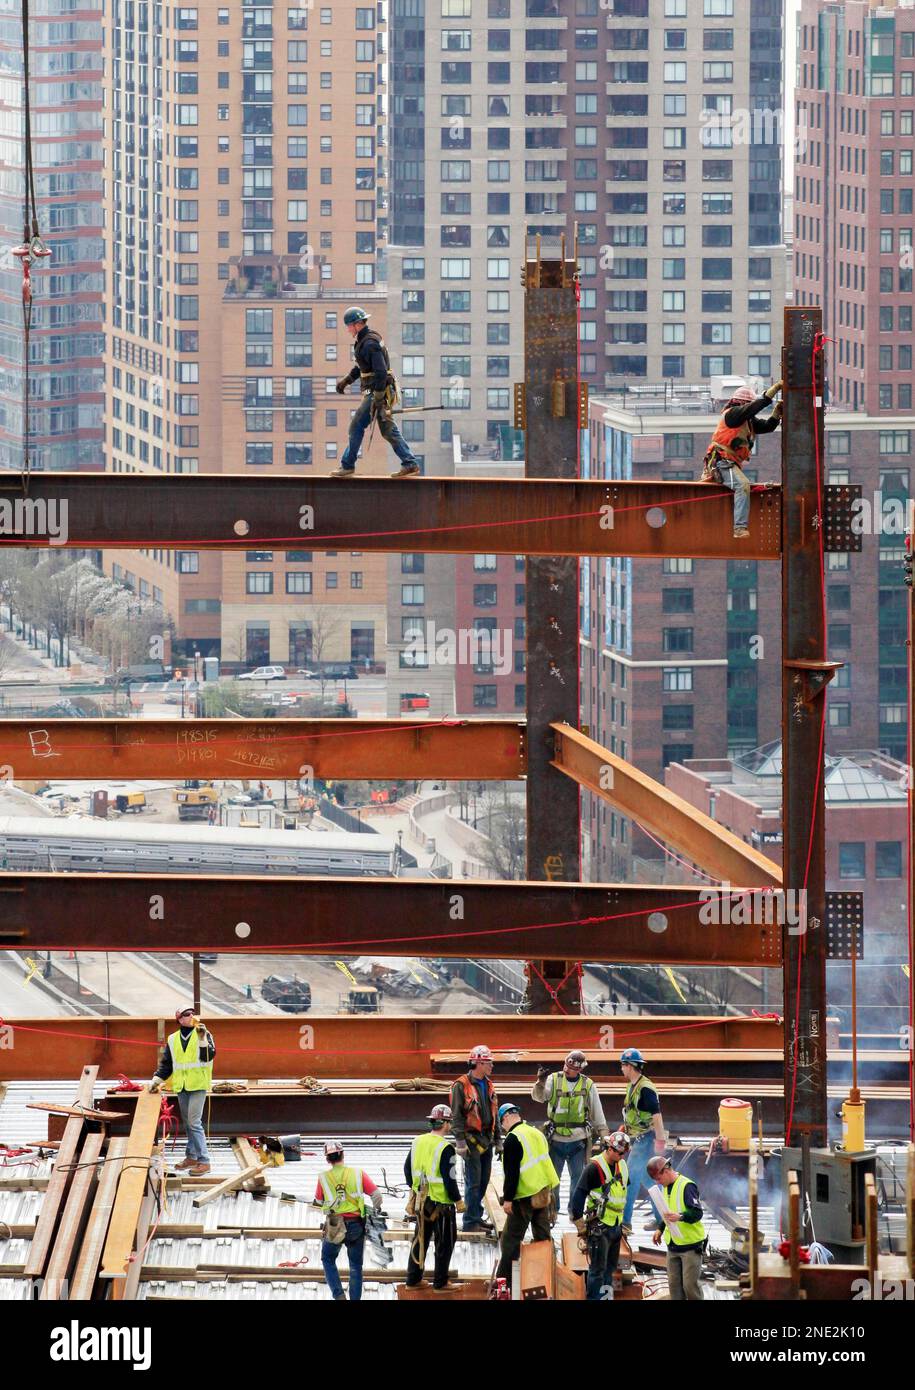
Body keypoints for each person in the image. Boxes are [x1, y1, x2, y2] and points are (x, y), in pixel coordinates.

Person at [332, 306, 420, 478]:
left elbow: (380, 372)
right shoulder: (365, 340)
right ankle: (410, 463)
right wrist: (347, 380)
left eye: (349, 325)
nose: (348, 329)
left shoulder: (369, 343)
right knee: (388, 430)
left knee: (356, 426)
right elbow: (362, 366)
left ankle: (347, 465)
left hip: (376, 392)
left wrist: (378, 397)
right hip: (378, 391)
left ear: (357, 324)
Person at [701, 379, 783, 538]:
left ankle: (738, 524)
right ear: (742, 404)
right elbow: (756, 406)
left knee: (742, 485)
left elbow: (767, 427)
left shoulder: (747, 421)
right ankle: (739, 528)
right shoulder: (733, 415)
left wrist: (776, 413)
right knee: (743, 485)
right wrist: (776, 388)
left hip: (728, 463)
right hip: (721, 462)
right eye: (748, 406)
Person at [531, 1049, 608, 1215]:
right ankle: (552, 1211)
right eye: (565, 1065)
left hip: (578, 1140)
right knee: (553, 1179)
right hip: (556, 1138)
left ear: (579, 1069)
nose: (566, 1069)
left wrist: (604, 1135)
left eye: (570, 1067)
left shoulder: (588, 1085)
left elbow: (597, 1112)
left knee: (578, 1179)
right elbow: (539, 1097)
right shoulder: (554, 1079)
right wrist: (540, 1081)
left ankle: (575, 1212)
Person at [495, 1103, 560, 1281]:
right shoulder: (536, 1133)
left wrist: (508, 1199)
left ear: (506, 1118)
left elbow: (512, 1173)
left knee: (510, 1241)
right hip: (543, 1194)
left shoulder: (513, 1138)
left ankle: (503, 1281)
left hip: (523, 1197)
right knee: (543, 1238)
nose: (503, 1128)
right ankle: (546, 1278)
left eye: (502, 1124)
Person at [148, 1006, 214, 1175]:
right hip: (182, 1086)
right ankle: (191, 1157)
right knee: (188, 1123)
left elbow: (208, 1056)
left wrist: (202, 1039)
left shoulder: (203, 1033)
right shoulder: (173, 1039)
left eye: (191, 1013)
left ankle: (204, 1161)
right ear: (179, 1019)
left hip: (198, 1084)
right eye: (186, 1014)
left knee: (194, 1122)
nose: (190, 1016)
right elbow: (167, 1064)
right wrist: (156, 1081)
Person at [404, 1103, 464, 1290]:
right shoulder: (446, 1148)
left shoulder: (417, 1142)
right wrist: (458, 1200)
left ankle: (413, 1280)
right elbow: (449, 1179)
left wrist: (415, 1189)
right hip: (442, 1204)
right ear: (446, 1123)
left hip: (422, 1202)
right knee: (445, 1242)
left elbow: (407, 1169)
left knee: (420, 1238)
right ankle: (440, 1282)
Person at [315, 1138, 384, 1302]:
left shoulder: (323, 1178)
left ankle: (339, 1295)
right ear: (343, 1154)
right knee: (355, 1266)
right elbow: (377, 1196)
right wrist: (375, 1211)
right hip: (356, 1225)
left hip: (335, 1225)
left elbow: (318, 1201)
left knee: (327, 1258)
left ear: (327, 1159)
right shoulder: (357, 1173)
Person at [570, 1131, 630, 1301]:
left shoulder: (623, 1166)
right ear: (609, 1148)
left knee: (610, 1269)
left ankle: (605, 1298)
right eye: (618, 1152)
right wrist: (579, 1222)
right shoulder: (594, 1168)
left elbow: (622, 1192)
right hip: (599, 1226)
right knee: (597, 1270)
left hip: (615, 1226)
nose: (620, 1155)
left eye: (623, 1153)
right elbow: (579, 1194)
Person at [450, 1043, 500, 1233]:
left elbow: (494, 1113)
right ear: (479, 1063)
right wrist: (460, 1143)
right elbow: (456, 1116)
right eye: (489, 1062)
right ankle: (471, 1221)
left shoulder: (488, 1084)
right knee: (474, 1182)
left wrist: (499, 1140)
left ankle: (476, 1216)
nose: (491, 1066)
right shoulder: (461, 1086)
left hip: (486, 1139)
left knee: (484, 1180)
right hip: (471, 1141)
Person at [619, 1047, 667, 1236]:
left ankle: (625, 1223)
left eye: (623, 1065)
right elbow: (634, 1112)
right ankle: (661, 1218)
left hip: (644, 1141)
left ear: (630, 1066)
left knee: (629, 1180)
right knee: (650, 1181)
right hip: (637, 1138)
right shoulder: (634, 1086)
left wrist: (660, 1141)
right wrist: (625, 1128)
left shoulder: (645, 1088)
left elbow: (657, 1116)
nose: (621, 1069)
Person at [647, 1154, 706, 1301]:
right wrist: (660, 1228)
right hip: (673, 1246)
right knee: (674, 1287)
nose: (659, 1183)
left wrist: (681, 1216)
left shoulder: (687, 1186)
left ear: (665, 1171)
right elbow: (666, 1211)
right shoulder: (665, 1188)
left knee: (690, 1286)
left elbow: (697, 1213)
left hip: (690, 1247)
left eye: (659, 1179)